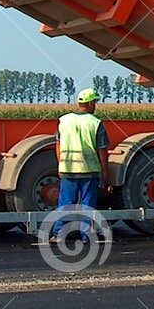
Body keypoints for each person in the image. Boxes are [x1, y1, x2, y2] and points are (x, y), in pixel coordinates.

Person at [52, 87, 110, 239]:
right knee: (87, 205)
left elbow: (57, 144)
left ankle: (59, 233)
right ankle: (86, 235)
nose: (96, 105)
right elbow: (102, 150)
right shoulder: (95, 123)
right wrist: (105, 172)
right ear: (90, 103)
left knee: (65, 203)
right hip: (89, 170)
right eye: (95, 102)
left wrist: (60, 164)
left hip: (68, 168)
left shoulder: (64, 120)